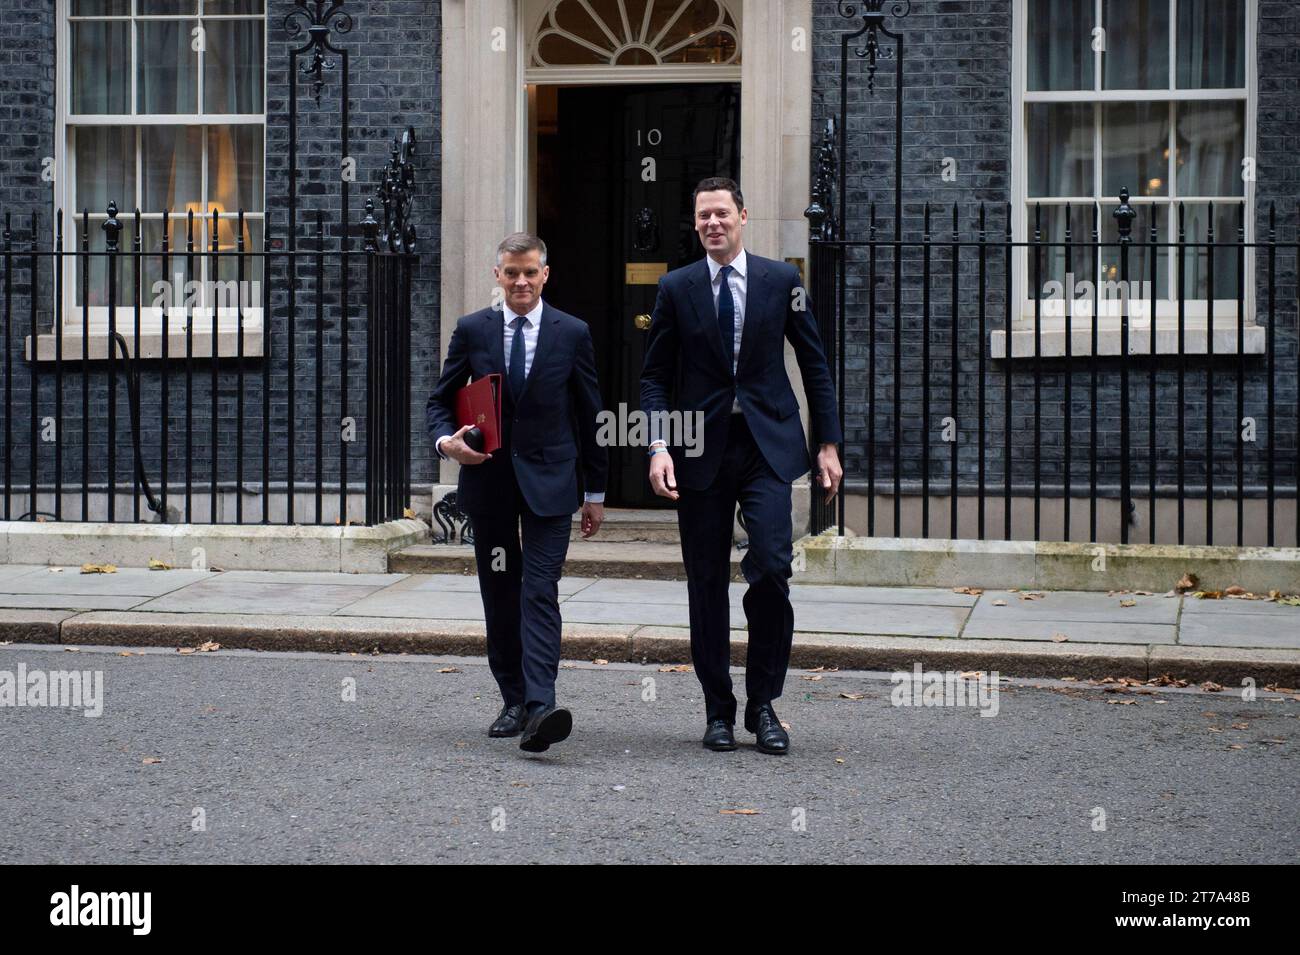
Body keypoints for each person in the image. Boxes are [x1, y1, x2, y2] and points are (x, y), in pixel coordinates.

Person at [640, 177, 843, 755]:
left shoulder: (782, 281)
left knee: (773, 568)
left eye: (722, 214)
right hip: (699, 448)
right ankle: (718, 710)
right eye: (703, 215)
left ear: (743, 216)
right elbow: (654, 377)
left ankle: (764, 704)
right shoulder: (676, 287)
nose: (713, 224)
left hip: (766, 446)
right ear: (695, 221)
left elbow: (815, 363)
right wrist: (658, 445)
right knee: (706, 582)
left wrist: (827, 443)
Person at [427, 233, 607, 753]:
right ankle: (513, 699)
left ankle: (541, 705)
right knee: (501, 592)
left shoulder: (571, 333)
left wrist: (594, 491)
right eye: (511, 273)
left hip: (553, 484)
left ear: (545, 274)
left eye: (530, 272)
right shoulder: (472, 330)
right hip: (491, 483)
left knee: (539, 590)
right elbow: (441, 401)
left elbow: (590, 414)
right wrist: (447, 444)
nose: (521, 282)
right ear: (497, 274)